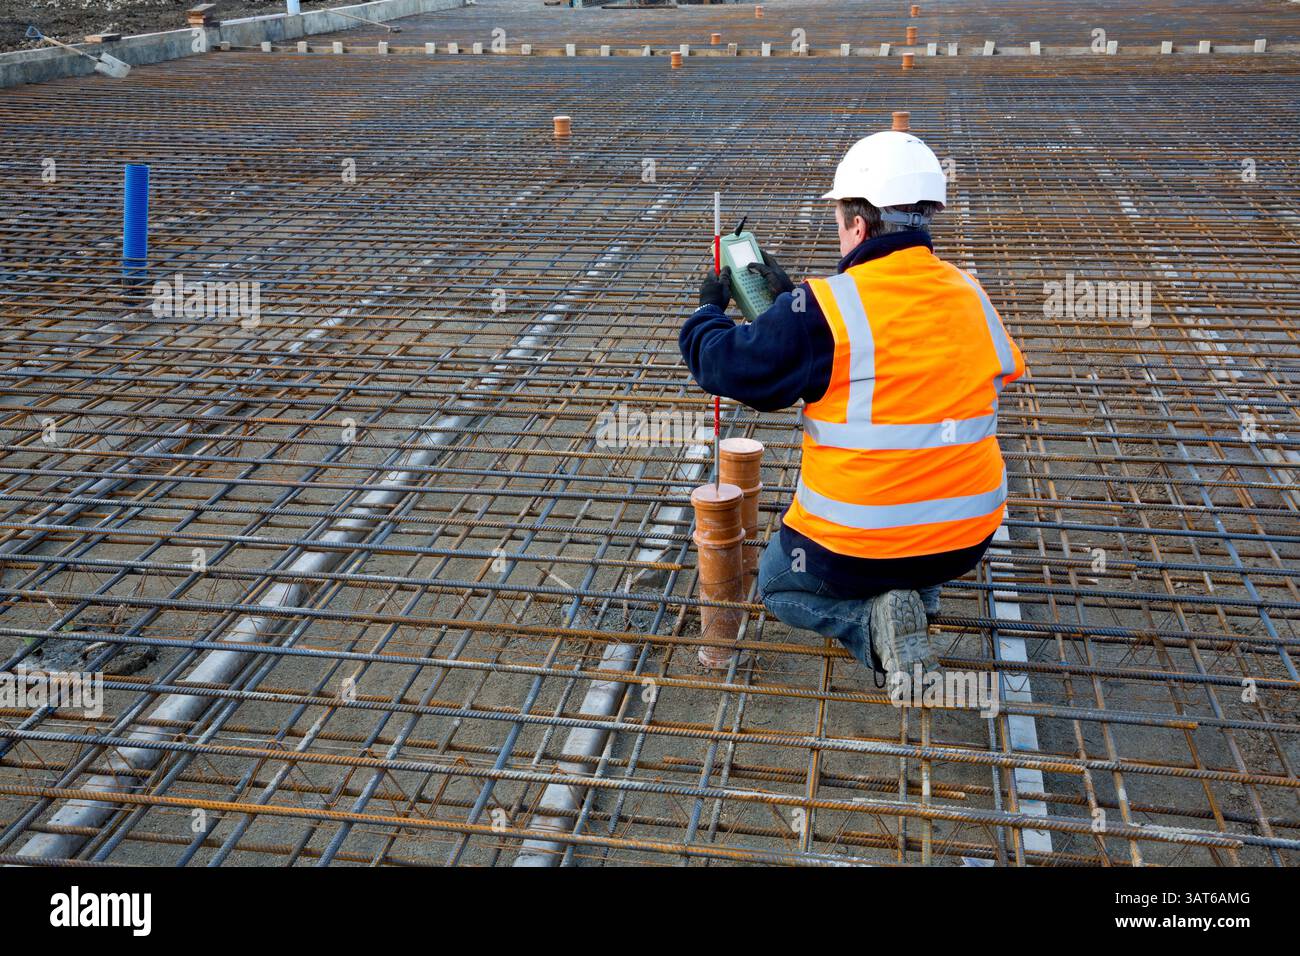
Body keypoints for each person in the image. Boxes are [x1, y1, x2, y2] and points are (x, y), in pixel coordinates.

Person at [678, 127, 1026, 682]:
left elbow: (727, 367)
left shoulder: (824, 310)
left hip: (861, 542)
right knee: (923, 504)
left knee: (778, 583)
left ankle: (874, 626)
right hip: (966, 535)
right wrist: (790, 303)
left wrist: (707, 311)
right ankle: (918, 597)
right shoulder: (970, 292)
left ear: (858, 226)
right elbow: (908, 352)